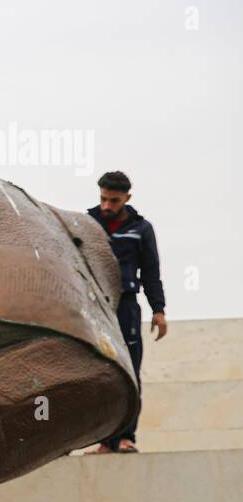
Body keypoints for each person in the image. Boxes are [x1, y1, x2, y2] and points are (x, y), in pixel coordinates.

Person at [87, 171, 167, 454]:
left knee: (129, 370)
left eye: (114, 200)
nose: (107, 206)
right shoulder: (87, 223)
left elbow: (151, 271)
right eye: (103, 199)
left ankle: (125, 437)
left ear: (127, 198)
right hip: (94, 306)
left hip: (126, 306)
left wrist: (159, 309)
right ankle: (104, 440)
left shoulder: (141, 228)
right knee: (99, 372)